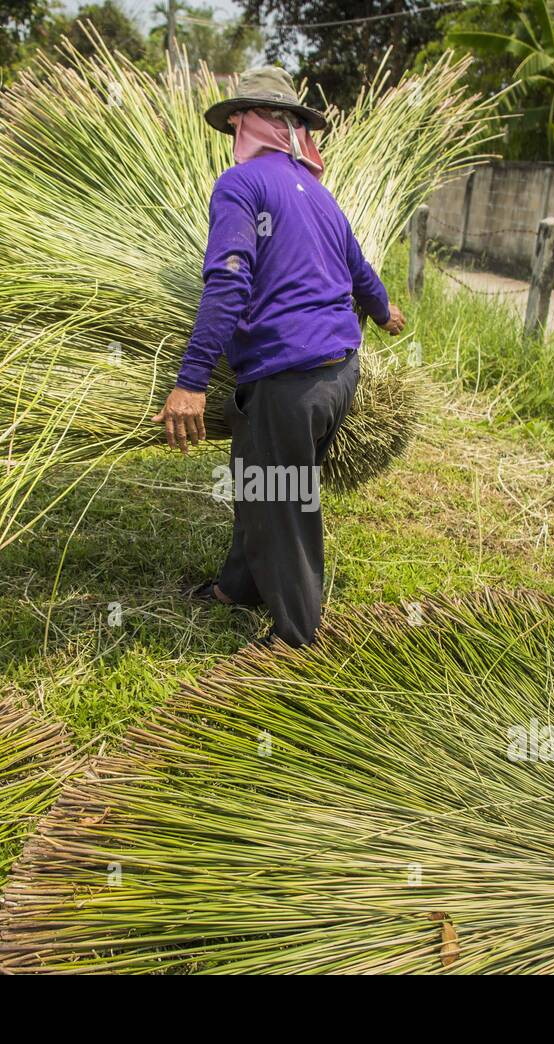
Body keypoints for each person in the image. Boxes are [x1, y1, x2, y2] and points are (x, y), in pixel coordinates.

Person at [152, 66, 405, 648]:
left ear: (247, 122)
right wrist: (385, 311)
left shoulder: (238, 185)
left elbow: (227, 283)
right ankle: (237, 588)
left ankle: (297, 637)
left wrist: (190, 381)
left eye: (237, 120)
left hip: (289, 379)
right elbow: (360, 270)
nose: (234, 129)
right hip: (339, 373)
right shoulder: (318, 193)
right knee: (261, 482)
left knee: (283, 502)